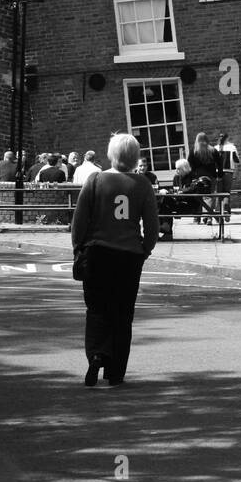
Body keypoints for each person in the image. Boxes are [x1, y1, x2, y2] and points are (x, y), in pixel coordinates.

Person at [70, 133, 159, 387]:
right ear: (134, 157)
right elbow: (151, 227)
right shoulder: (142, 184)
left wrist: (78, 248)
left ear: (111, 154)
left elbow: (79, 221)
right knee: (122, 313)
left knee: (97, 309)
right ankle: (116, 371)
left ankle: (97, 353)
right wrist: (145, 250)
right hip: (129, 256)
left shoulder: (95, 180)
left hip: (97, 253)